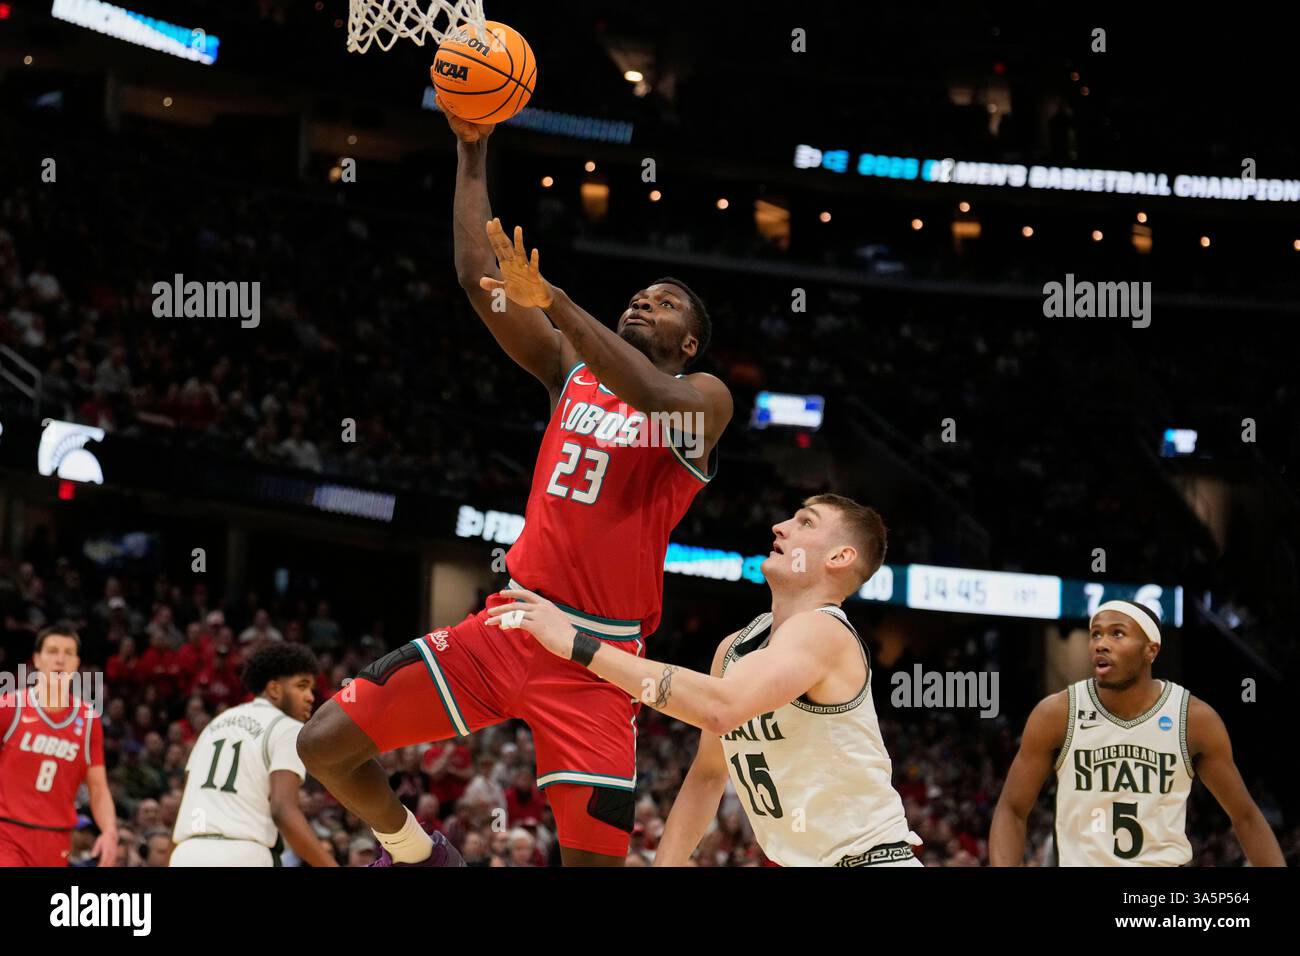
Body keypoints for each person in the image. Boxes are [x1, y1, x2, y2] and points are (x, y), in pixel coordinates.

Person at [297, 95, 733, 867]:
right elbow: (476, 276)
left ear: (689, 340)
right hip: (510, 623)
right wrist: (471, 148)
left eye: (663, 303)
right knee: (324, 744)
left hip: (600, 663)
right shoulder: (570, 371)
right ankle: (417, 852)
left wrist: (558, 300)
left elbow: (653, 395)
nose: (642, 300)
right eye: (639, 293)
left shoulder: (704, 396)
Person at [487, 495, 922, 867]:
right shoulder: (736, 648)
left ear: (840, 557)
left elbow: (719, 708)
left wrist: (576, 644)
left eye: (805, 522)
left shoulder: (824, 632)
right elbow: (708, 778)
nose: (781, 526)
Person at [989, 601, 1285, 866]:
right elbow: (1012, 809)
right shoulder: (1057, 713)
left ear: (1151, 650)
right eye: (1096, 634)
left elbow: (1245, 817)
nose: (1101, 644)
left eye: (1117, 634)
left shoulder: (1194, 719)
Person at [170, 644, 337, 867]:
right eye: (302, 686)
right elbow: (283, 810)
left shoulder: (214, 725)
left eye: (311, 689)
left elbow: (187, 804)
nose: (310, 697)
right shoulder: (287, 728)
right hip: (243, 854)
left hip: (186, 854)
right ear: (274, 689)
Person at [0, 622, 117, 866]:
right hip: (6, 831)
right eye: (52, 651)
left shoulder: (88, 720)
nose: (60, 660)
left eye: (68, 653)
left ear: (76, 664)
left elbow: (98, 787)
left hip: (56, 837)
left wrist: (109, 831)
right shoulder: (9, 706)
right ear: (37, 660)